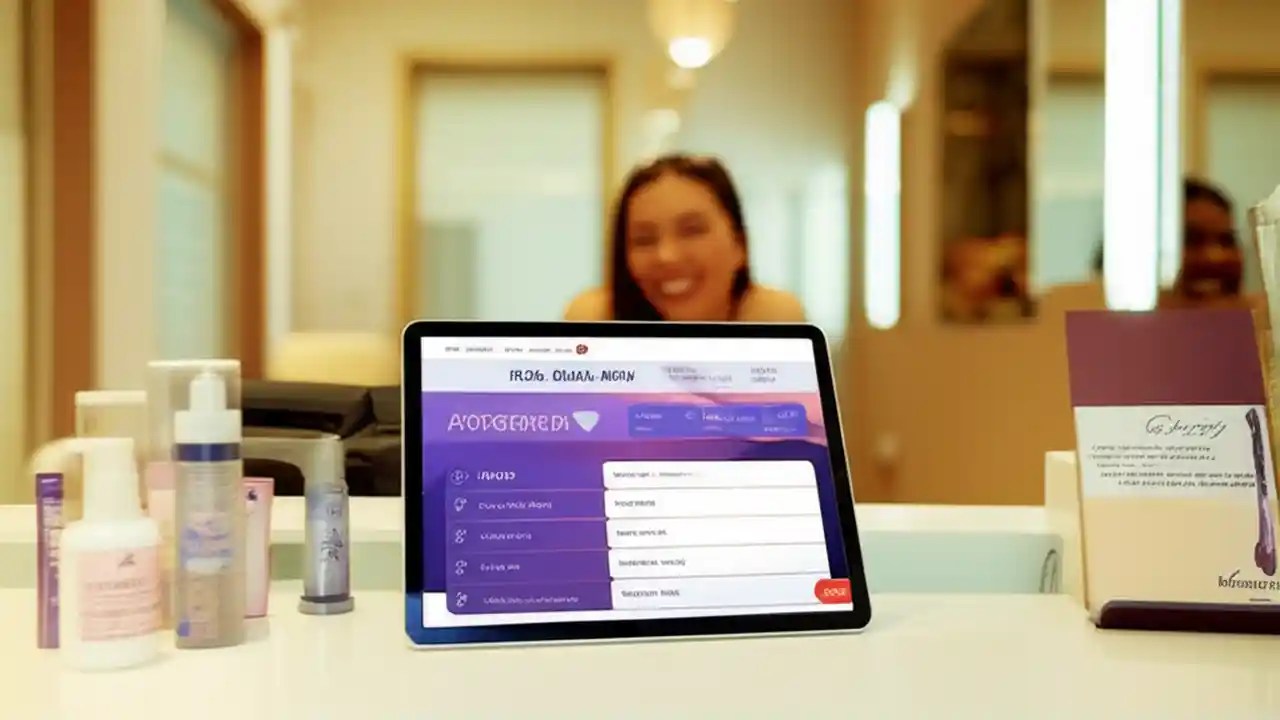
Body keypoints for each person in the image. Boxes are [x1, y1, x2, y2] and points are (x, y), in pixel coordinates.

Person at [564, 153, 806, 322]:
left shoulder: (774, 321)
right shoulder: (595, 321)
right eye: (644, 239)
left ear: (739, 245)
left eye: (692, 230)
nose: (667, 256)